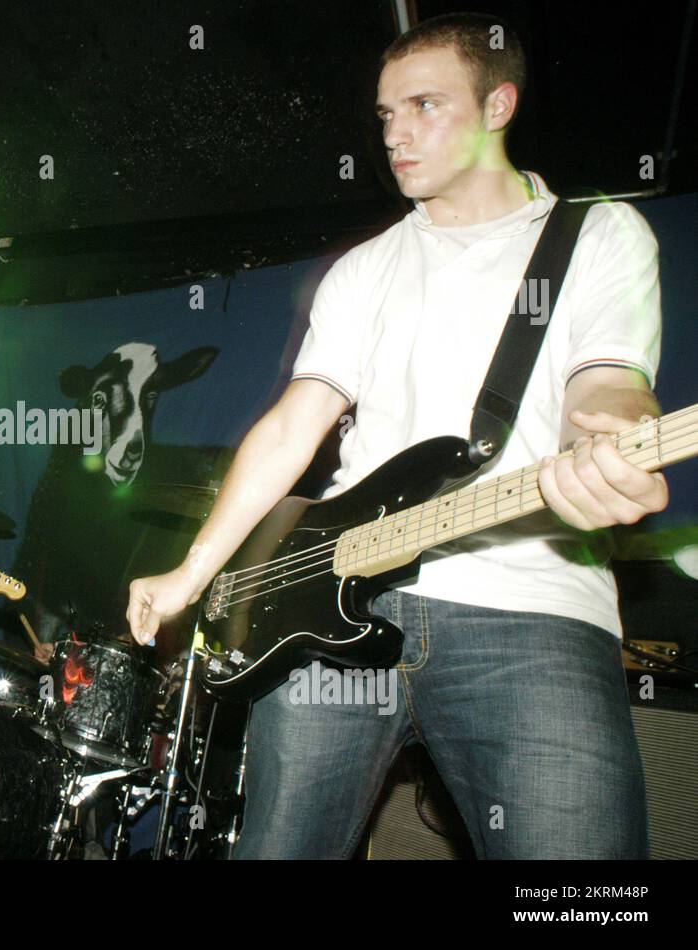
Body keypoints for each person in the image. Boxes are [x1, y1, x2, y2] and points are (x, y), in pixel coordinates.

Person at [126, 13, 667, 859]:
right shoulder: (364, 267)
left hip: (529, 613)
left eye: (423, 105)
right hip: (335, 607)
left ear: (499, 106)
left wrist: (616, 437)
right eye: (384, 115)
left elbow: (607, 381)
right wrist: (192, 570)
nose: (395, 134)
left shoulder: (596, 235)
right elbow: (293, 426)